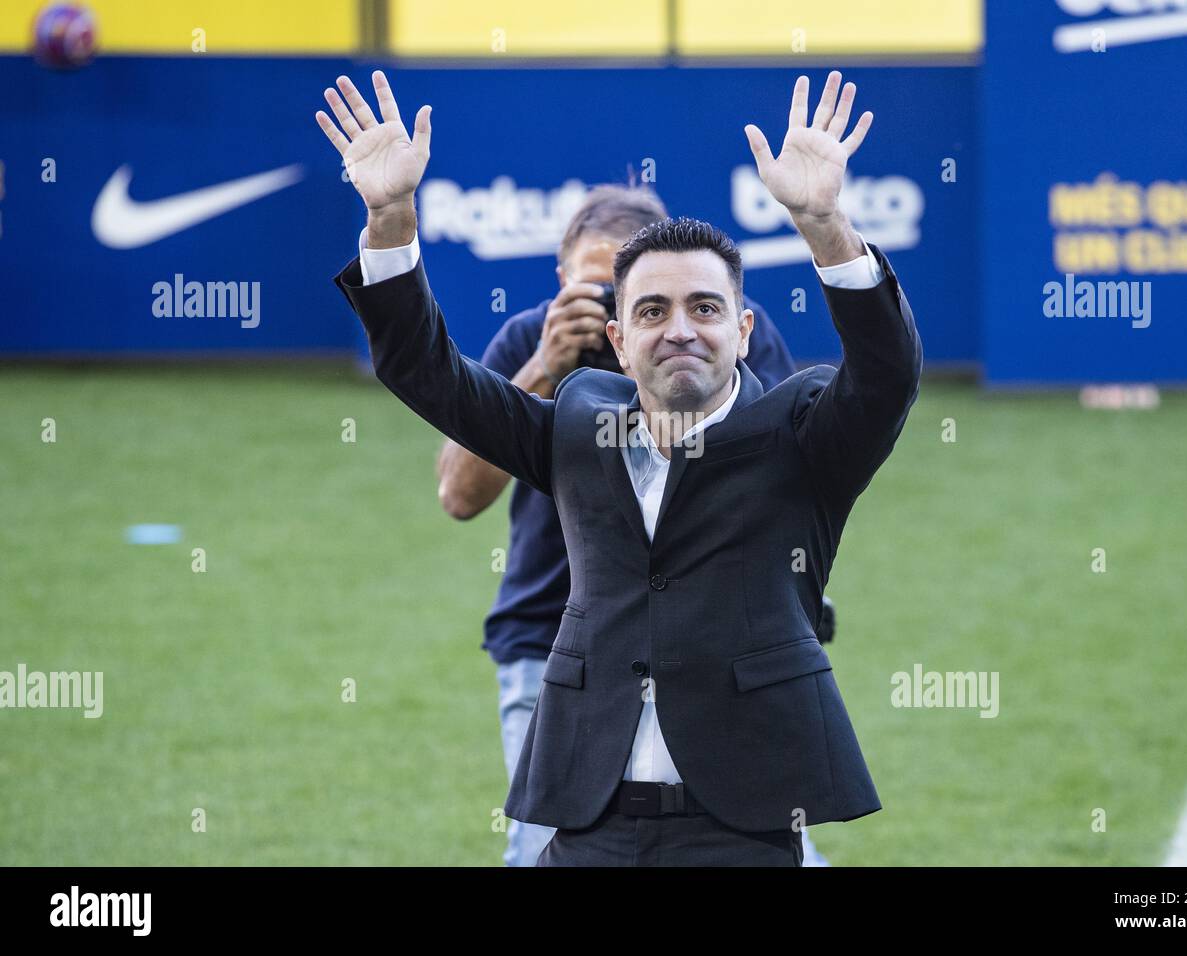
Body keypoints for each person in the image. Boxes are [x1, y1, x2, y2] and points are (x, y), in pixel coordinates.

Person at [317, 68, 921, 865]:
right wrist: (391, 216)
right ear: (619, 340)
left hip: (745, 827)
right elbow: (428, 373)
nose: (680, 330)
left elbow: (886, 370)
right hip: (586, 824)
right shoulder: (574, 429)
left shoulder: (804, 437)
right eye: (651, 311)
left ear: (744, 330)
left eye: (704, 308)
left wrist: (825, 224)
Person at [433, 183, 840, 865]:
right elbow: (458, 494)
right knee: (540, 848)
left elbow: (780, 471)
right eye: (599, 293)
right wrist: (544, 366)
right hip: (555, 639)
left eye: (646, 296)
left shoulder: (718, 333)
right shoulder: (531, 335)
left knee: (766, 834)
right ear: (562, 280)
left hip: (714, 641)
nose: (654, 321)